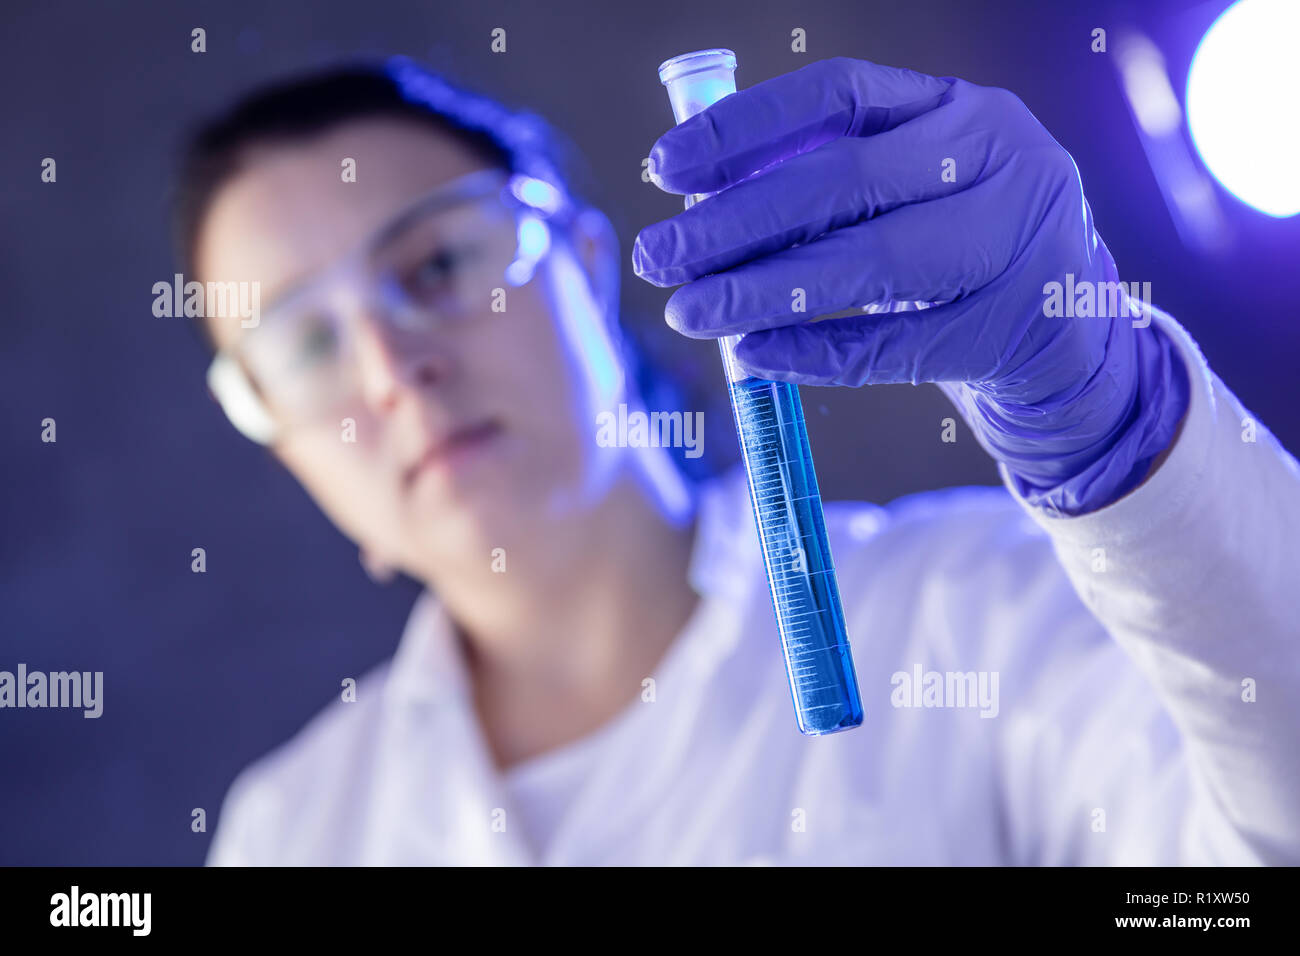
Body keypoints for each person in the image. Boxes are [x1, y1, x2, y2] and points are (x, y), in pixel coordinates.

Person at [178, 55, 1299, 865]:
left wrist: (1113, 417)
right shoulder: (291, 830)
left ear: (583, 259)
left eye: (431, 265)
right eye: (306, 341)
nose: (391, 367)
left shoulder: (970, 610)